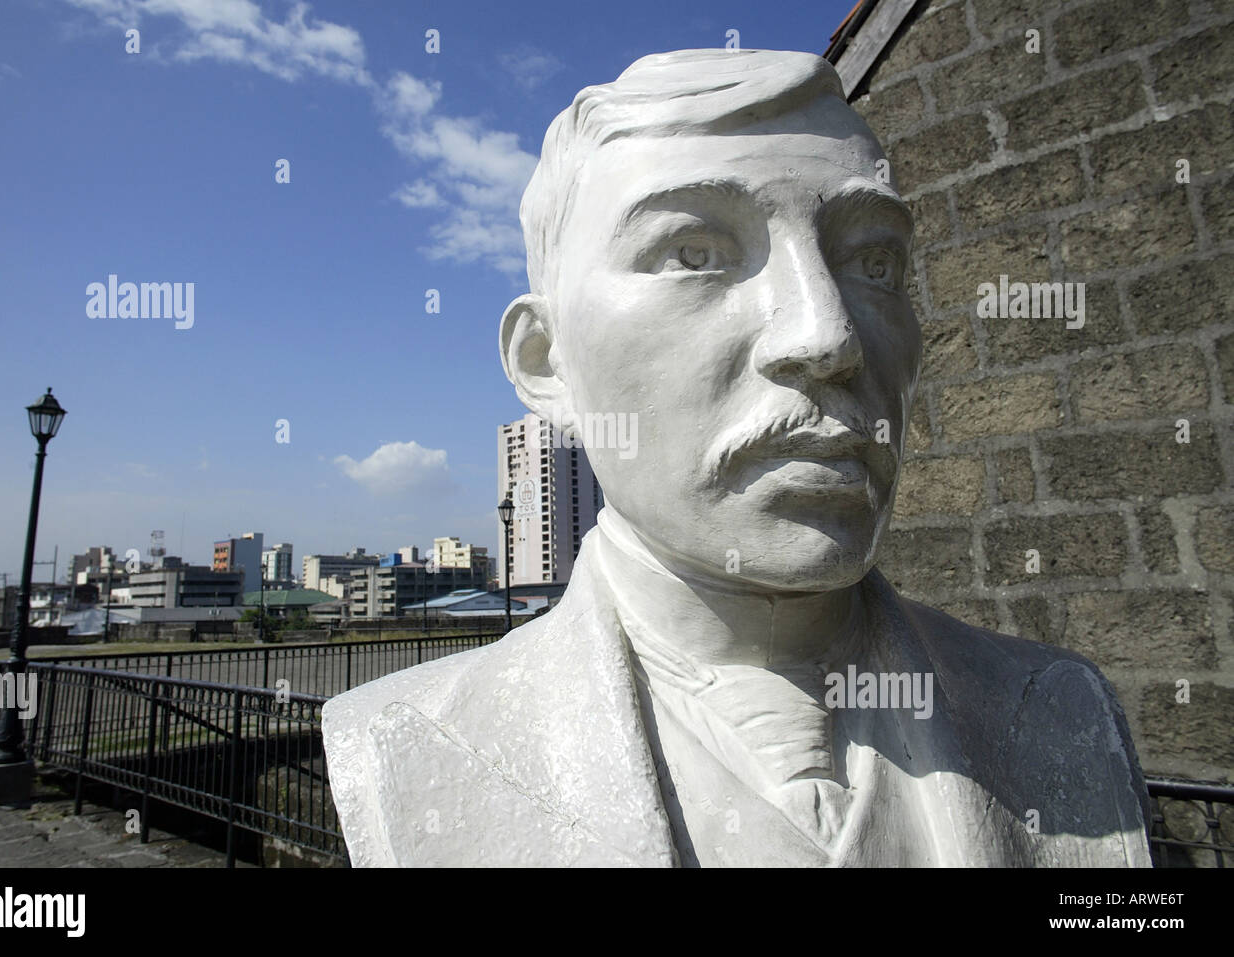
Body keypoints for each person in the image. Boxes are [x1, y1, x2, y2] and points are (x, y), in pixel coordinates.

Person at [323, 49, 1152, 867]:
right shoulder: (406, 743)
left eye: (874, 262)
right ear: (546, 361)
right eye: (692, 253)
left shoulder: (1057, 711)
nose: (826, 334)